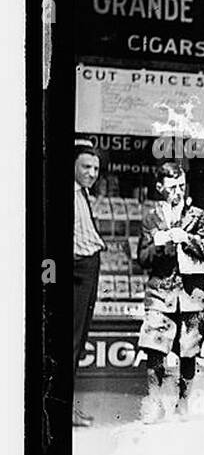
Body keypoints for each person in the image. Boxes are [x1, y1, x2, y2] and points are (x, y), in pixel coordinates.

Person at [136, 162, 204, 423]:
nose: (177, 192)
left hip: (191, 294)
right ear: (160, 188)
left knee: (189, 350)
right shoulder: (150, 218)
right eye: (171, 188)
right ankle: (154, 403)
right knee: (154, 348)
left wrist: (186, 239)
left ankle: (183, 403)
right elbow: (142, 259)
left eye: (181, 186)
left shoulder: (198, 215)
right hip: (160, 292)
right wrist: (159, 242)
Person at [72, 138, 106, 427]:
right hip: (77, 271)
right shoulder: (69, 193)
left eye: (95, 168)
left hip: (87, 269)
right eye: (86, 166)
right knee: (70, 343)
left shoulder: (82, 193)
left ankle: (68, 407)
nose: (92, 173)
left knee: (78, 341)